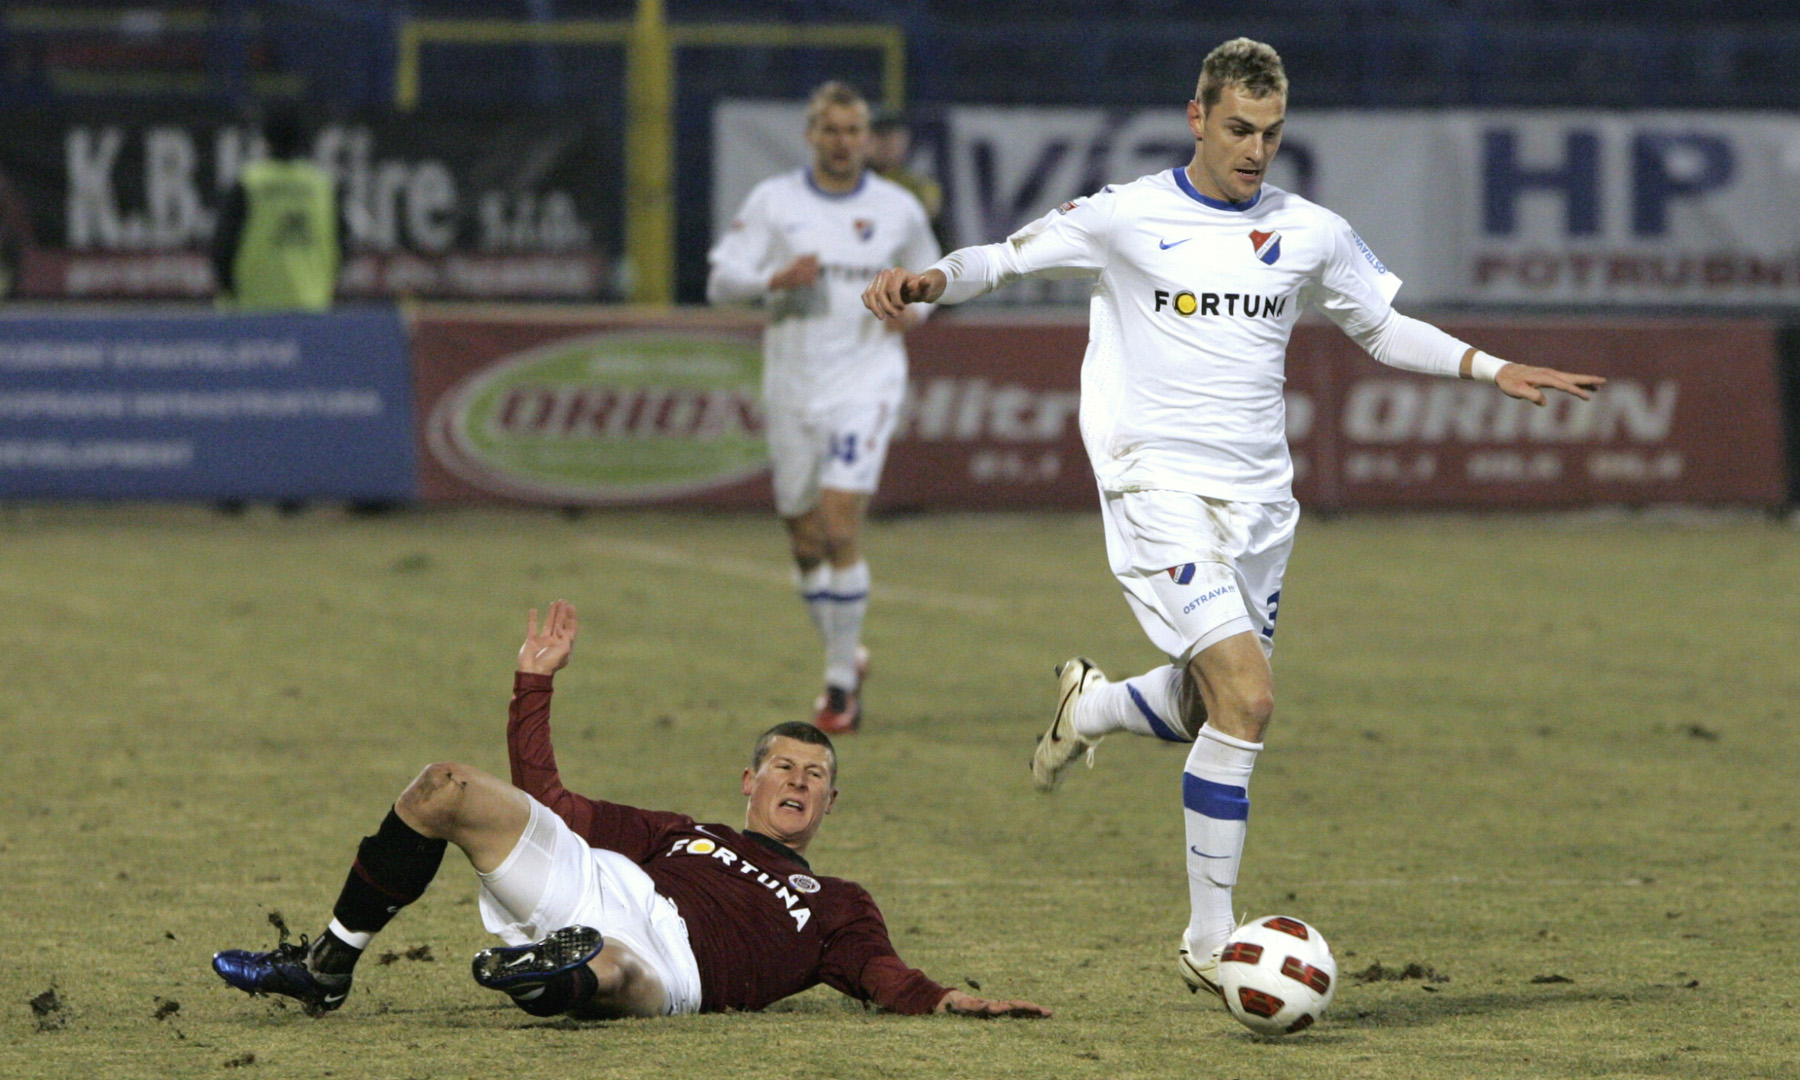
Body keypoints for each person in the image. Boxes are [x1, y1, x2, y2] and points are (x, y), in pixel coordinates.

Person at [863, 38, 1604, 1004]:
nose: (1257, 150)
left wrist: (1490, 367)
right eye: (1241, 129)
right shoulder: (1126, 215)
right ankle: (1208, 942)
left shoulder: (1312, 230)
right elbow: (1002, 260)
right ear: (1198, 118)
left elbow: (1379, 326)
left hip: (1261, 506)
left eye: (1273, 132)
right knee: (1248, 700)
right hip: (1153, 488)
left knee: (1207, 706)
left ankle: (1087, 708)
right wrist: (928, 282)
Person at [212, 600, 1049, 1021]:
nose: (799, 780)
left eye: (816, 774)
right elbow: (552, 802)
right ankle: (326, 966)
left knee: (614, 971)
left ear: (832, 800)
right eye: (783, 766)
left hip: (676, 965)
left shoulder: (839, 904)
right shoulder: (683, 835)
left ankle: (551, 978)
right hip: (604, 883)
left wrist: (946, 1001)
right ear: (748, 782)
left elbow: (882, 978)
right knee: (442, 789)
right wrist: (533, 685)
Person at [707, 82, 942, 733]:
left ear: (867, 139)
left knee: (840, 524)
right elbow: (720, 279)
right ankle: (847, 654)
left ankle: (839, 689)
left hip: (866, 383)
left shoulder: (896, 209)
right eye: (831, 130)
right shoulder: (774, 203)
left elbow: (931, 281)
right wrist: (770, 280)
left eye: (854, 130)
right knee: (805, 538)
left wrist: (913, 310)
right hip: (792, 384)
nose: (843, 142)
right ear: (811, 134)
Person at [212, 107, 345, 312]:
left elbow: (223, 246)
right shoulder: (322, 185)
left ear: (265, 139)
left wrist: (229, 290)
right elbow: (343, 243)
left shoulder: (250, 182)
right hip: (312, 306)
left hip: (251, 309)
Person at [868, 109, 947, 250]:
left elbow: (933, 235)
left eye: (894, 138)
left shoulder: (921, 187)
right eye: (881, 137)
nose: (887, 145)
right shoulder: (854, 182)